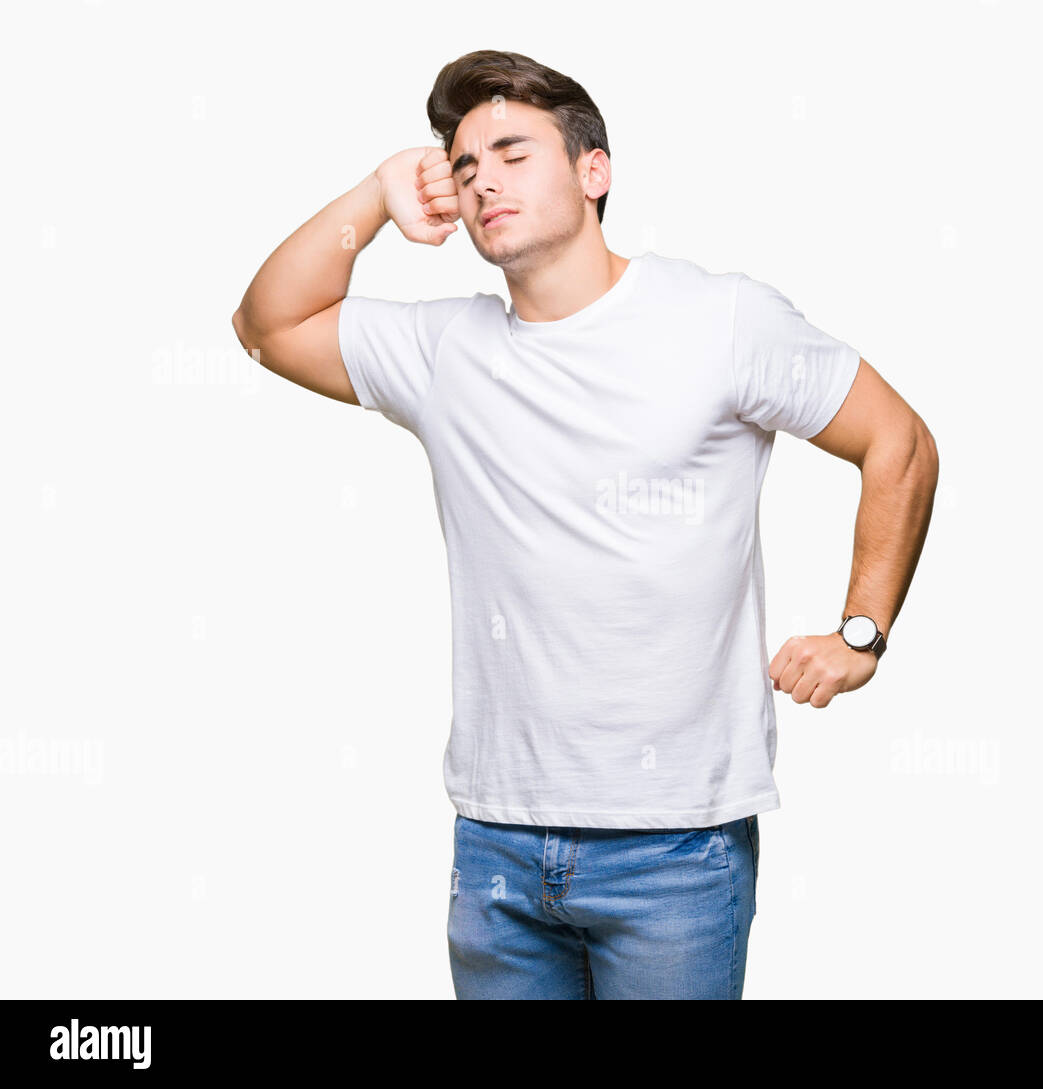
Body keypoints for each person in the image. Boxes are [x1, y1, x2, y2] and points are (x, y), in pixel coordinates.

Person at [232, 49, 939, 1000]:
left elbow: (897, 441)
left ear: (594, 171)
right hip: (495, 843)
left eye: (514, 152)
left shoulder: (720, 320)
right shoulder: (445, 351)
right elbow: (267, 324)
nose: (483, 179)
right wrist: (374, 194)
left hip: (676, 844)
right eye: (465, 164)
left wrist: (863, 631)